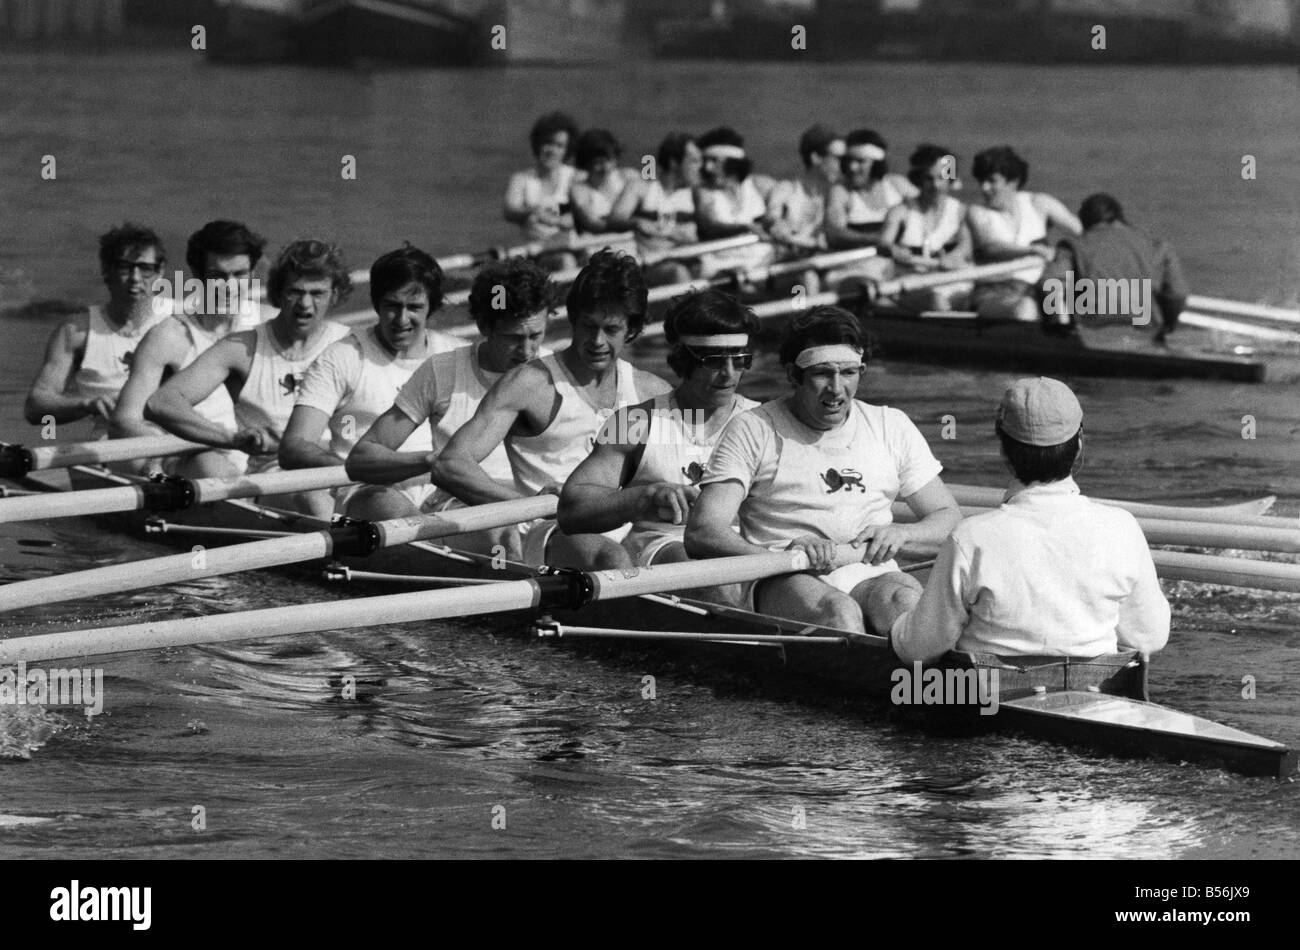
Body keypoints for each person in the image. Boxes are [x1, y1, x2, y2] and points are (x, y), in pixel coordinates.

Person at [685, 305, 961, 636]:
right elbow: (702, 531)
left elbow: (948, 518)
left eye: (848, 372)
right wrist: (779, 557)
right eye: (821, 373)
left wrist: (903, 534)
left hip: (871, 571)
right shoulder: (753, 428)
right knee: (839, 613)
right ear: (792, 374)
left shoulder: (891, 425)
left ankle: (922, 679)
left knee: (907, 601)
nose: (836, 388)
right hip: (785, 577)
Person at [891, 376, 1170, 663]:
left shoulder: (971, 537)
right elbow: (1149, 636)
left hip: (981, 696)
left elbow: (917, 649)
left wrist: (898, 618)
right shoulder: (1122, 527)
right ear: (1080, 444)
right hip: (1097, 691)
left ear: (1004, 452)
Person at [431, 249, 671, 568]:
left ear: (631, 329)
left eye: (611, 329)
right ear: (573, 320)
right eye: (588, 326)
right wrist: (526, 505)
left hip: (630, 534)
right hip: (550, 530)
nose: (597, 341)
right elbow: (450, 464)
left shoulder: (653, 391)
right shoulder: (530, 384)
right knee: (613, 558)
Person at [345, 257, 554, 555]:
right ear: (483, 325)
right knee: (503, 536)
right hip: (464, 501)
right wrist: (430, 460)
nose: (527, 351)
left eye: (536, 336)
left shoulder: (555, 373)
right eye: (514, 338)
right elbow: (360, 460)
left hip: (543, 507)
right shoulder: (442, 371)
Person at [145, 240, 352, 516]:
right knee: (317, 504)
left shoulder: (349, 343)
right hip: (277, 477)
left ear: (335, 294)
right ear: (278, 292)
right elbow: (161, 403)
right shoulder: (242, 347)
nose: (305, 304)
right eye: (295, 292)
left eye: (317, 293)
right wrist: (231, 439)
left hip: (343, 471)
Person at [558, 288, 759, 568]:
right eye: (713, 361)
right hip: (664, 547)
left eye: (739, 360)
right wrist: (644, 496)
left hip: (749, 548)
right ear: (683, 360)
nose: (728, 373)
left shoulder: (764, 422)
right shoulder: (634, 422)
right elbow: (571, 511)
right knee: (694, 562)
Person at [278, 245, 445, 519]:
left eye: (414, 307)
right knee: (392, 507)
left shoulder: (449, 353)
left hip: (438, 488)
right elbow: (294, 447)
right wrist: (361, 467)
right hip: (368, 490)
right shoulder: (343, 357)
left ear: (432, 308)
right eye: (392, 306)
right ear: (376, 303)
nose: (401, 319)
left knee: (502, 536)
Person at [110, 220, 268, 479]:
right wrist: (198, 440)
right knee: (211, 465)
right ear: (197, 274)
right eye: (218, 276)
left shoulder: (264, 325)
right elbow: (124, 420)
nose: (229, 287)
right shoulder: (168, 337)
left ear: (252, 273)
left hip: (250, 453)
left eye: (240, 275)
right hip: (189, 454)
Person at [24, 223, 170, 438]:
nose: (135, 278)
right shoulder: (76, 332)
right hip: (112, 439)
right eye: (124, 267)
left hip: (173, 436)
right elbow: (36, 407)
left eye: (145, 269)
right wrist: (88, 404)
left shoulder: (180, 322)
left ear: (161, 271)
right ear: (106, 270)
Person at [1039, 193, 1189, 342]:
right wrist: (1168, 325)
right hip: (1146, 334)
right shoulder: (1158, 247)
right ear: (1119, 217)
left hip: (1089, 337)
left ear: (1084, 222)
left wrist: (1055, 325)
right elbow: (1177, 294)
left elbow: (1049, 283)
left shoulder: (1073, 247)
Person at [965, 145, 1081, 322]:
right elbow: (990, 248)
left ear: (1013, 181)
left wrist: (1067, 255)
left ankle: (1066, 341)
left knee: (1060, 301)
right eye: (981, 181)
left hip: (1039, 288)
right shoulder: (977, 212)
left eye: (991, 181)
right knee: (1026, 309)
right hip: (993, 292)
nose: (984, 188)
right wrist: (1032, 251)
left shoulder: (1039, 203)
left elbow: (1082, 232)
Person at [880, 145, 974, 311]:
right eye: (929, 179)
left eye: (941, 178)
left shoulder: (961, 212)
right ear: (918, 180)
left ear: (950, 179)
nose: (936, 185)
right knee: (937, 302)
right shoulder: (900, 212)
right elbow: (884, 243)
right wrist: (893, 249)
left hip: (952, 282)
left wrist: (954, 256)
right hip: (911, 284)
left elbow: (966, 245)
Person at [824, 129, 917, 286]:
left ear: (877, 163)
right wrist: (876, 240)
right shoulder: (841, 192)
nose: (852, 168)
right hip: (854, 271)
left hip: (896, 270)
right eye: (849, 161)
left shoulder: (898, 185)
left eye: (860, 162)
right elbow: (834, 233)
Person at [608, 132, 702, 284]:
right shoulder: (642, 187)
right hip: (652, 266)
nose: (700, 168)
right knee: (678, 272)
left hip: (694, 261)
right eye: (694, 161)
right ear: (673, 162)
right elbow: (615, 218)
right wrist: (637, 223)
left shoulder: (697, 194)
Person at [692, 126, 777, 277]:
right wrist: (745, 227)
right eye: (705, 161)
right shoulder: (703, 192)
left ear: (733, 162)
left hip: (762, 261)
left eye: (714, 160)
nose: (707, 167)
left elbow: (784, 201)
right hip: (720, 265)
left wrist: (774, 219)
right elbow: (710, 225)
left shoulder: (760, 184)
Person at [503, 111, 580, 269]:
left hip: (573, 246)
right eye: (548, 143)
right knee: (565, 260)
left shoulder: (575, 177)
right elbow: (509, 210)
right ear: (538, 144)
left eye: (559, 146)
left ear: (567, 150)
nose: (552, 150)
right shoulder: (521, 179)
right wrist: (531, 212)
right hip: (536, 251)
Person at [767, 124, 845, 254]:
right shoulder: (786, 190)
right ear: (816, 158)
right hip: (789, 259)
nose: (846, 166)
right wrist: (778, 225)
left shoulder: (840, 195)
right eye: (839, 159)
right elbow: (772, 219)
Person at [569, 128, 634, 239]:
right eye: (598, 163)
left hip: (631, 247)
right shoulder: (579, 190)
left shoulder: (628, 177)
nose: (605, 168)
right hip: (596, 249)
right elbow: (593, 224)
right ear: (586, 163)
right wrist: (635, 223)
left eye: (609, 160)